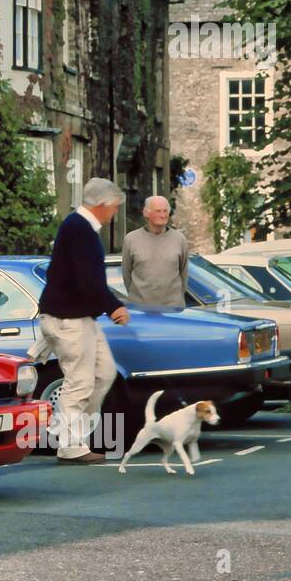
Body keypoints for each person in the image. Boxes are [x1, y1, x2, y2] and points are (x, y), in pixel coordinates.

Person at [37, 178, 130, 465]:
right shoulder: (79, 229)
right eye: (114, 207)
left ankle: (77, 435)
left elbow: (88, 279)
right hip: (68, 320)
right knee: (79, 382)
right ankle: (69, 445)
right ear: (101, 204)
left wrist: (109, 304)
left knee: (104, 373)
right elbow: (87, 279)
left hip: (80, 317)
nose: (114, 212)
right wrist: (114, 307)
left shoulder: (80, 228)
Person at [122, 195, 189, 308]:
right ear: (146, 213)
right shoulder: (131, 239)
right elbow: (126, 274)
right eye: (158, 211)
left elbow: (184, 273)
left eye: (165, 211)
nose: (163, 215)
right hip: (140, 309)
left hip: (173, 310)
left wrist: (175, 300)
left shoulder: (179, 239)